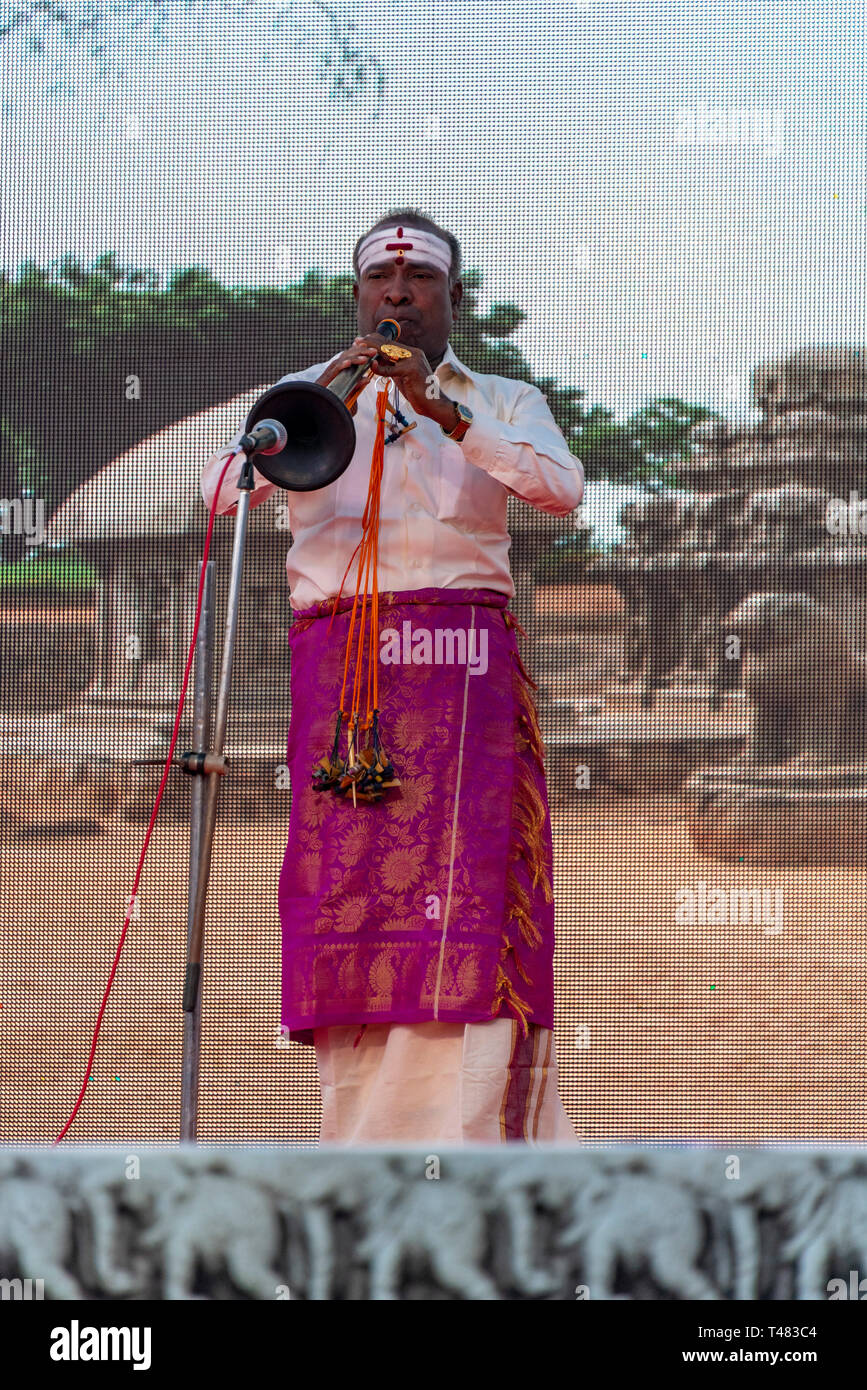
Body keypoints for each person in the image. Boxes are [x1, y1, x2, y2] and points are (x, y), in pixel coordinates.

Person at [200, 208, 584, 1145]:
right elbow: (215, 497)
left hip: (463, 678)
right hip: (342, 679)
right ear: (359, 293)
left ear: (453, 298)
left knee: (474, 891)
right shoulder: (300, 399)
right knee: (351, 894)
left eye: (420, 283)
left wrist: (446, 412)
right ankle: (361, 1142)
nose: (398, 295)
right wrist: (312, 396)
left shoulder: (503, 399)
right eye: (381, 281)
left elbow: (561, 494)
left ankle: (479, 1142)